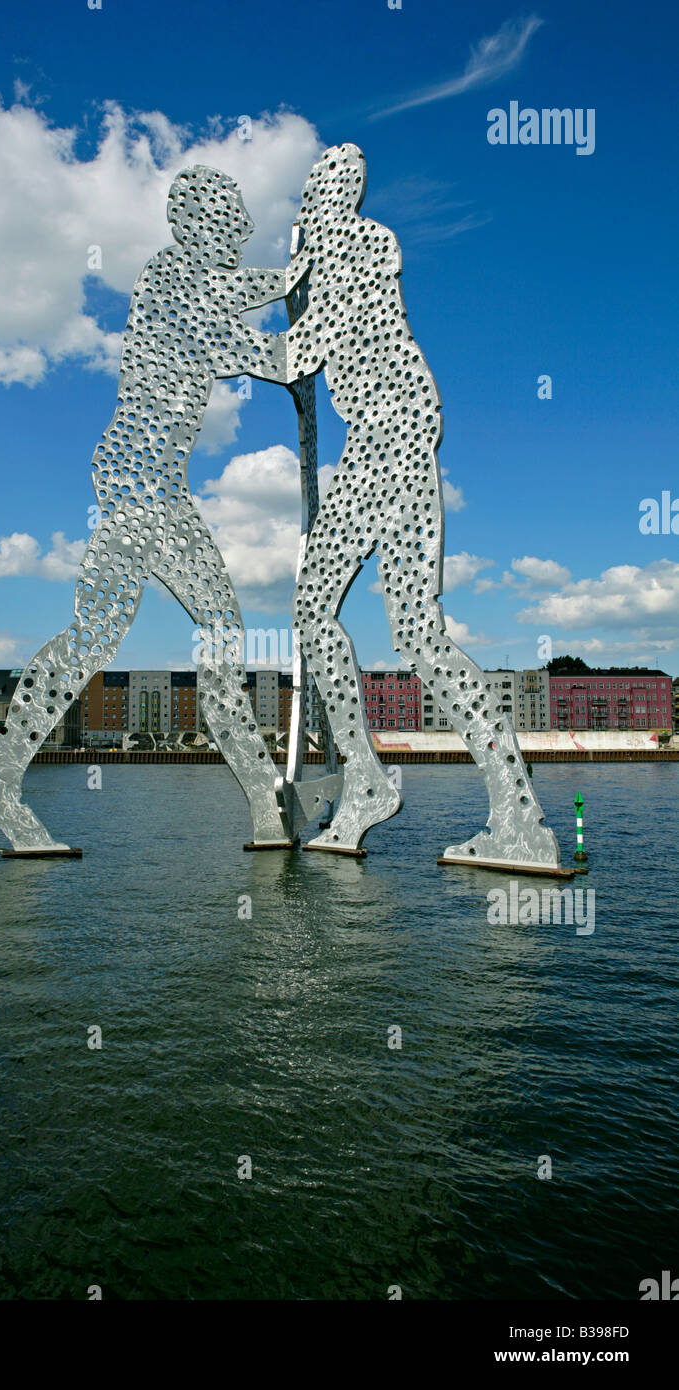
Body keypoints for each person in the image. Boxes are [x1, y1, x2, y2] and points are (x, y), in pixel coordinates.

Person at [0, 167, 306, 852]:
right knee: (224, 632)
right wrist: (328, 330)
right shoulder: (173, 284)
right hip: (146, 484)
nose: (243, 228)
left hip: (134, 479)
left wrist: (295, 273)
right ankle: (266, 804)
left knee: (93, 637)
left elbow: (243, 288)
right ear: (196, 224)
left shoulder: (186, 279)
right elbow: (261, 354)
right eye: (231, 217)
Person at [283, 144, 561, 869]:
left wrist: (229, 326)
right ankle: (515, 814)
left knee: (317, 611)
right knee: (417, 633)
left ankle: (371, 781)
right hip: (401, 437)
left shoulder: (351, 252)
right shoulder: (364, 248)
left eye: (311, 201)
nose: (308, 214)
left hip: (384, 442)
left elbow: (294, 357)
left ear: (324, 203)